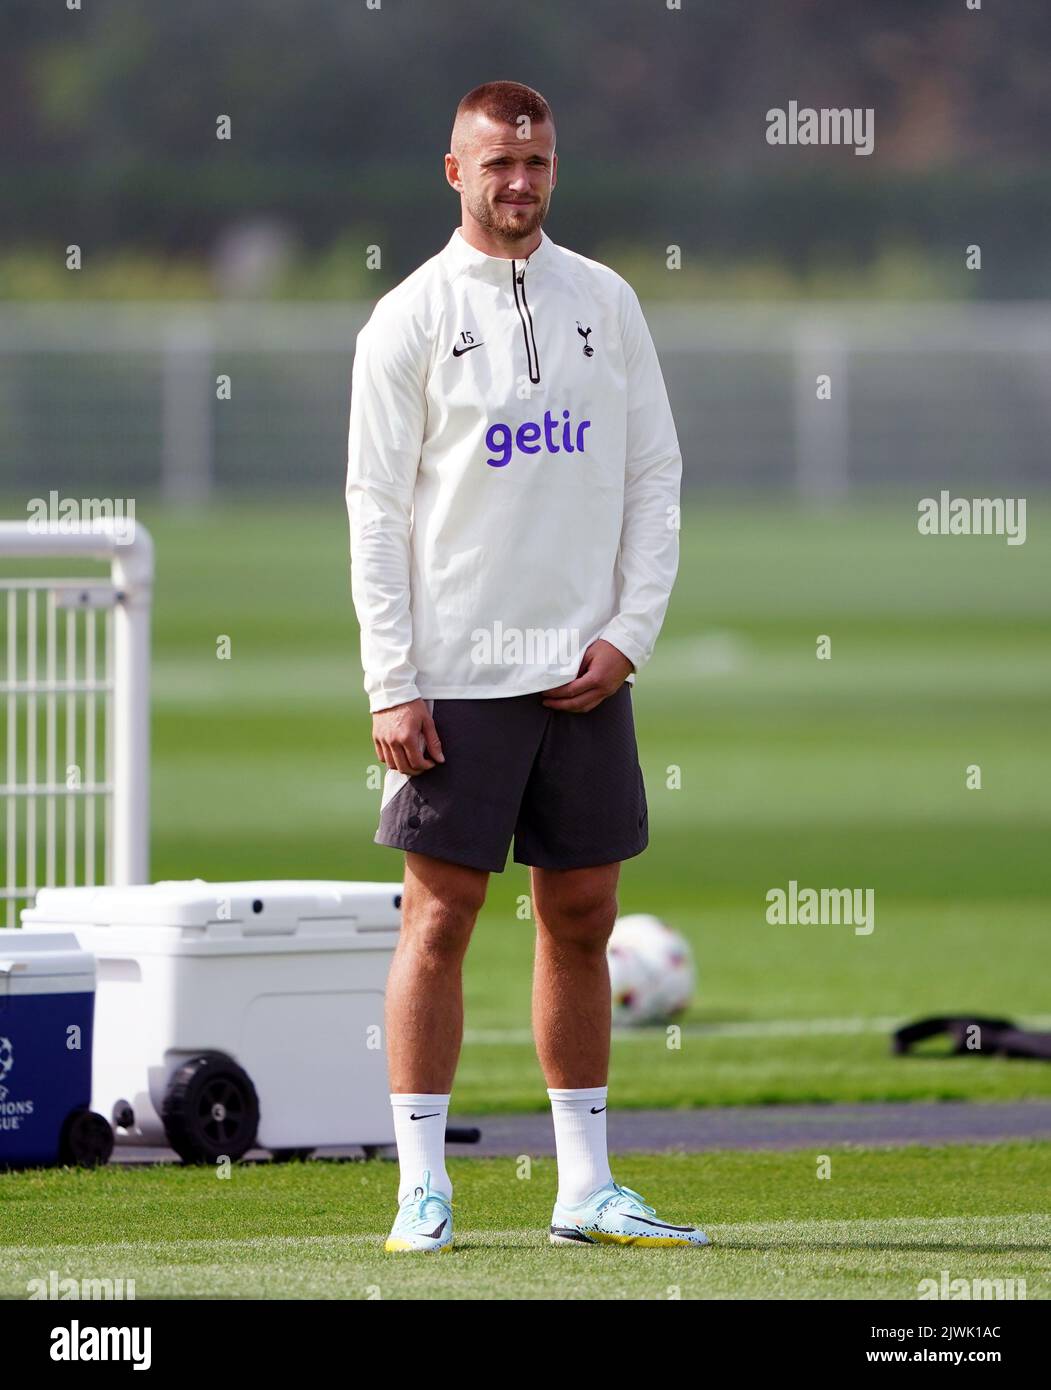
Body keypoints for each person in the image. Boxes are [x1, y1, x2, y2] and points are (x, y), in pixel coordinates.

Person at [346, 79, 708, 1251]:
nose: (519, 181)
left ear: (554, 167)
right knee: (438, 919)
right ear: (455, 171)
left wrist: (628, 633)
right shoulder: (406, 318)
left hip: (584, 670)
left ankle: (585, 1188)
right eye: (497, 163)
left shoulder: (606, 299)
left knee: (583, 915)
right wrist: (393, 680)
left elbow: (653, 473)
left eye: (537, 161)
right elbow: (373, 508)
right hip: (456, 670)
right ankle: (421, 1189)